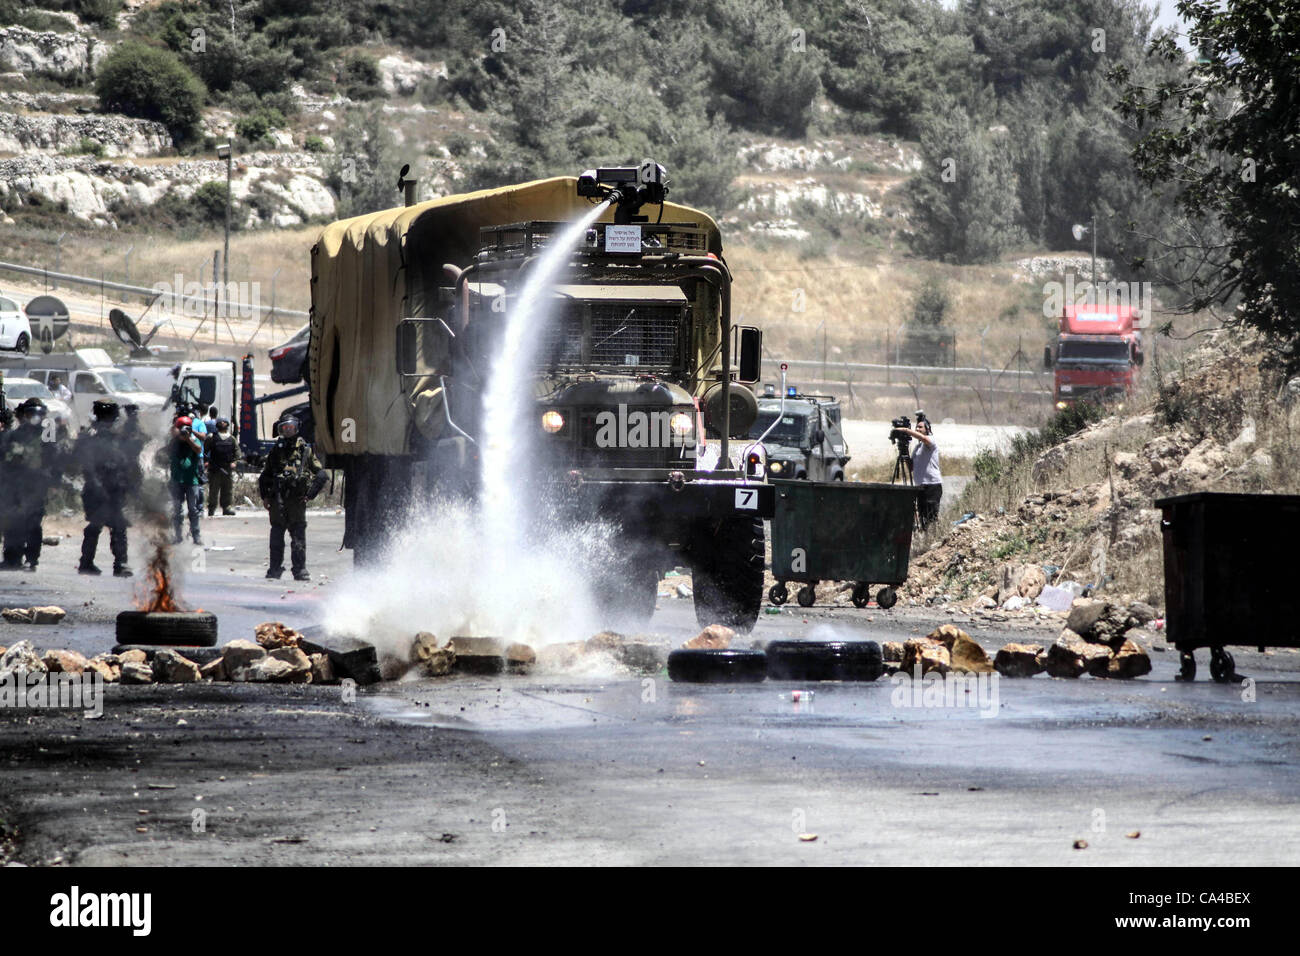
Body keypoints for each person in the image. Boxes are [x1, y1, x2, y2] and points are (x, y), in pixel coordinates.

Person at [258, 416, 327, 581]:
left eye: (291, 427)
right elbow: (265, 476)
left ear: (296, 428)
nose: (288, 431)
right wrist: (265, 497)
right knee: (276, 535)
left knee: (298, 537)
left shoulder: (305, 450)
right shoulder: (276, 450)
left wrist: (310, 495)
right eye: (285, 428)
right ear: (280, 430)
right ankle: (275, 568)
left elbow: (322, 474)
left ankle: (300, 569)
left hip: (297, 501)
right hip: (278, 499)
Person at [0, 398, 60, 571]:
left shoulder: (47, 436)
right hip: (16, 486)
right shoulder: (17, 434)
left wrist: (54, 483)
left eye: (38, 414)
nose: (34, 418)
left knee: (33, 524)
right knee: (13, 522)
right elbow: (7, 459)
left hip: (37, 486)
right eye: (30, 414)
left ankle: (31, 559)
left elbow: (55, 461)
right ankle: (12, 557)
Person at [77, 400, 133, 577]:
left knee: (117, 526)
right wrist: (96, 485)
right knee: (97, 526)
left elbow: (125, 463)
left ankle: (119, 563)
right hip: (98, 490)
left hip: (114, 489)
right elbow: (86, 464)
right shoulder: (91, 437)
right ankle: (87, 563)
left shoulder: (116, 438)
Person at [898, 411, 942, 530]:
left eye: (920, 427)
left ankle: (933, 539)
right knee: (923, 517)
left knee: (931, 517)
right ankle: (926, 538)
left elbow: (923, 438)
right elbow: (911, 468)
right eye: (916, 427)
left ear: (927, 429)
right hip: (920, 486)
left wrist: (906, 431)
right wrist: (905, 452)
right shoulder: (917, 447)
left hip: (932, 485)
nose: (918, 429)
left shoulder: (931, 441)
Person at [168, 415, 205, 546]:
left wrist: (188, 438)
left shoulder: (193, 439)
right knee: (177, 509)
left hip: (191, 480)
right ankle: (178, 535)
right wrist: (177, 434)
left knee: (193, 510)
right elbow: (168, 450)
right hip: (177, 479)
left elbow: (198, 449)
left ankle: (196, 536)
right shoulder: (173, 441)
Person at [206, 418, 240, 517]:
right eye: (220, 421)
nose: (222, 423)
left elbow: (237, 453)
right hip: (215, 469)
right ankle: (211, 509)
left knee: (227, 489)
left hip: (227, 469)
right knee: (213, 490)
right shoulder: (212, 437)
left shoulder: (231, 438)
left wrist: (234, 463)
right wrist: (206, 462)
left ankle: (227, 507)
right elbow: (204, 451)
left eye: (224, 421)